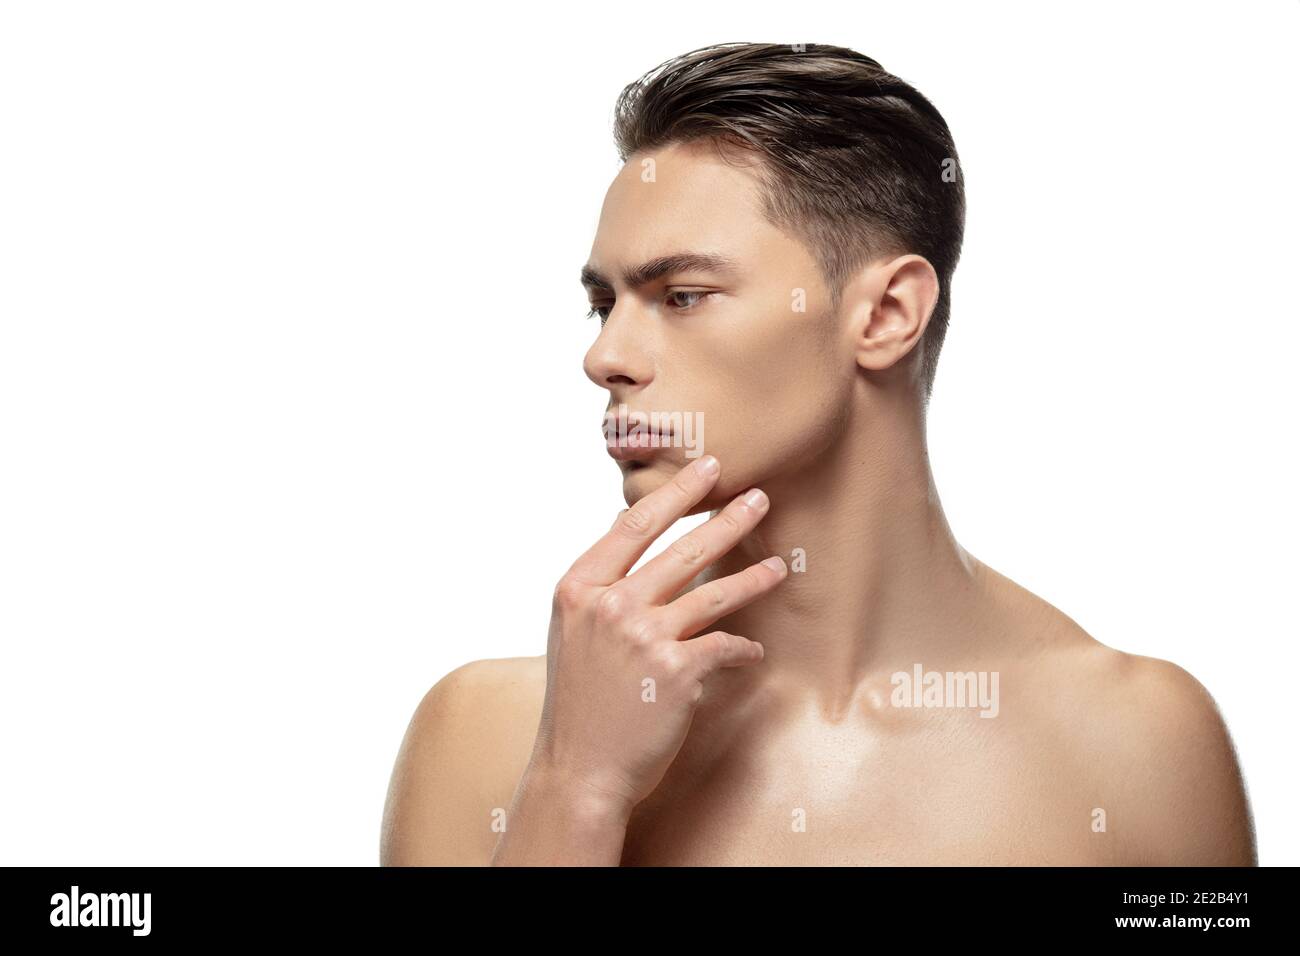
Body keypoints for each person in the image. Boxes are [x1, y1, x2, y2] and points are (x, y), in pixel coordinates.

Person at [379, 42, 1257, 866]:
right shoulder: (490, 738)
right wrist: (575, 791)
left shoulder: (1141, 743)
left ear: (884, 316)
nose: (605, 355)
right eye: (603, 303)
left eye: (680, 295)